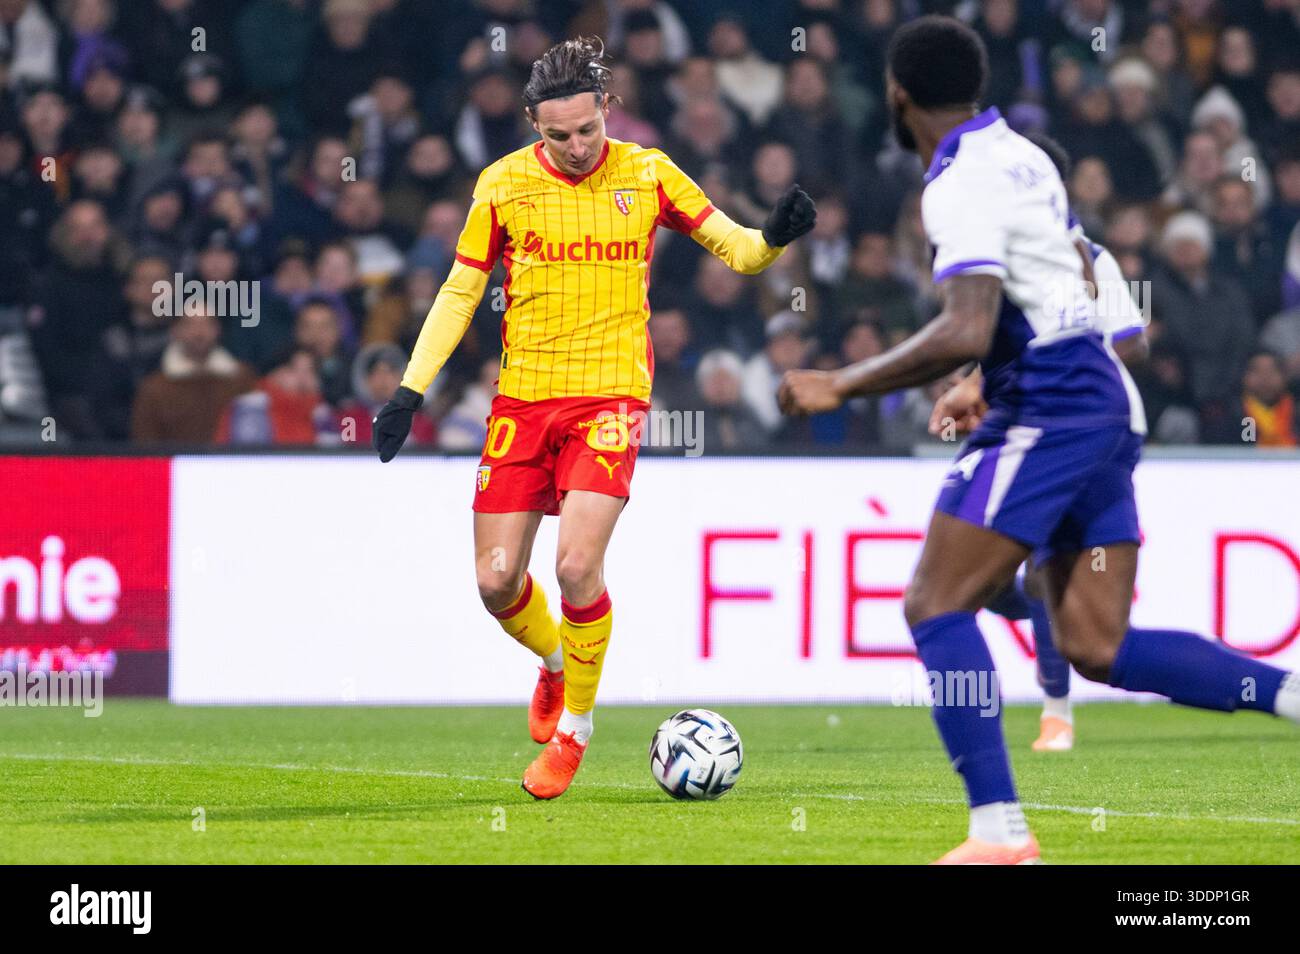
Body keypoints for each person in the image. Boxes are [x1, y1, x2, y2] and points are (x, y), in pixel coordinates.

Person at [778, 16, 1300, 865]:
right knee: (1096, 645)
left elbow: (964, 325)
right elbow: (1043, 300)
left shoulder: (957, 182)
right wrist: (985, 379)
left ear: (897, 93)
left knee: (934, 603)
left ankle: (998, 832)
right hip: (1098, 403)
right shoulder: (1019, 151)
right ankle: (1288, 693)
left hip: (1052, 406)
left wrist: (843, 381)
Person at [371, 37, 814, 800]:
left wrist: (773, 237)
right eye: (558, 136)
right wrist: (411, 391)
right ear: (534, 127)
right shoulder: (503, 185)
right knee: (495, 581)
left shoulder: (648, 172)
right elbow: (459, 291)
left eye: (587, 130)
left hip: (611, 396)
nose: (577, 148)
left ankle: (576, 730)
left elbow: (736, 251)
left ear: (607, 108)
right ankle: (550, 662)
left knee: (576, 567)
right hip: (523, 399)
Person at [936, 131, 1151, 754]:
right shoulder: (1006, 258)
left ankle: (1056, 714)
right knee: (1001, 585)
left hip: (1071, 423)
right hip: (1015, 421)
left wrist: (1075, 370)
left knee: (1024, 575)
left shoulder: (1094, 256)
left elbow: (1133, 339)